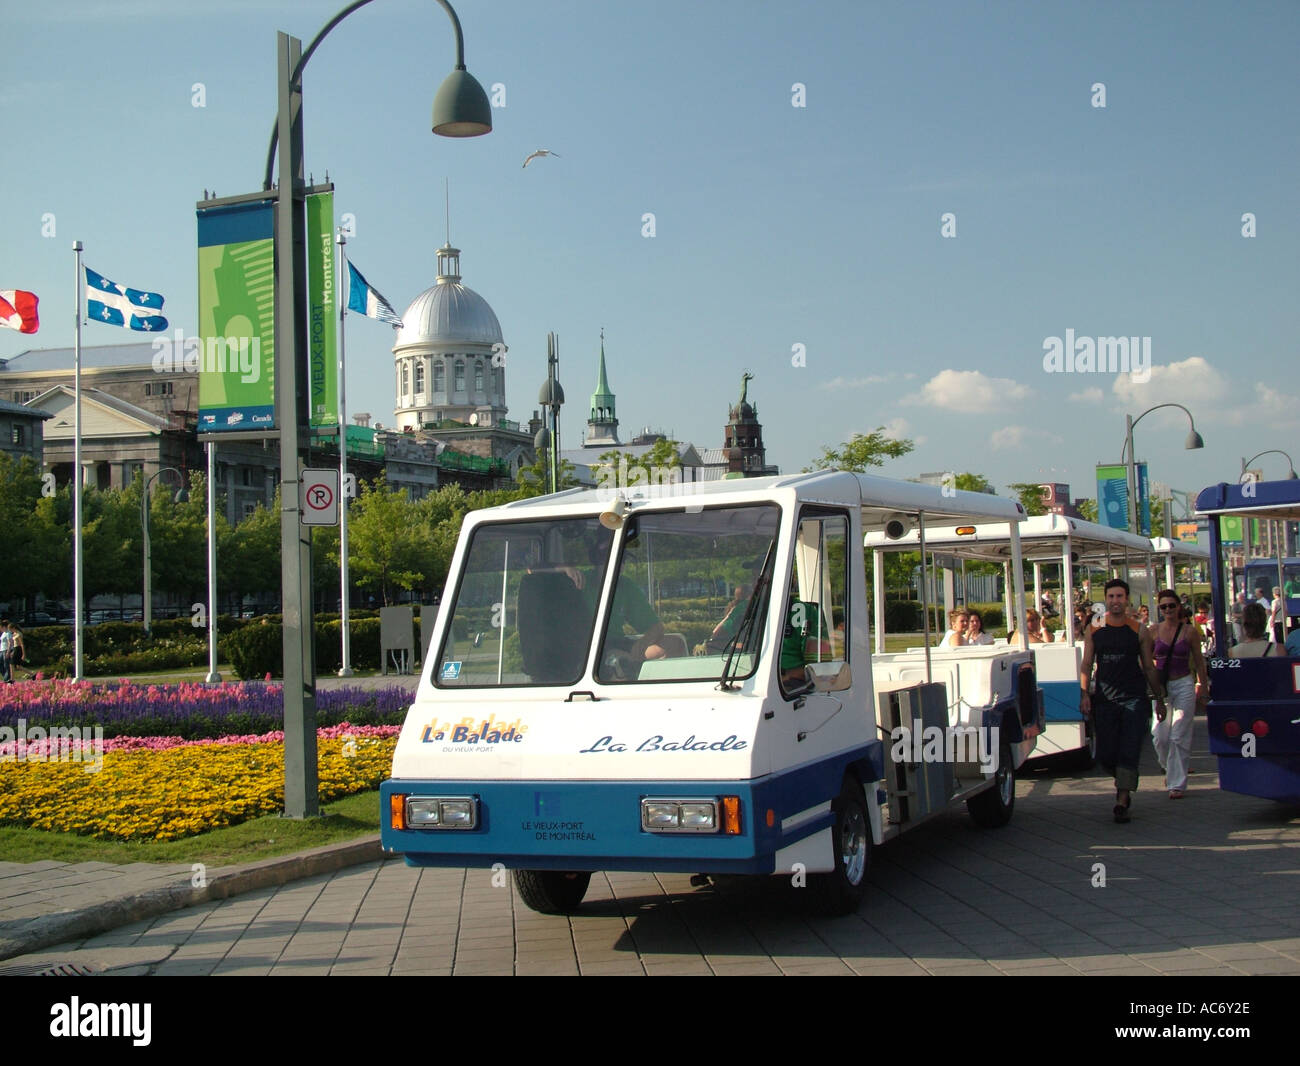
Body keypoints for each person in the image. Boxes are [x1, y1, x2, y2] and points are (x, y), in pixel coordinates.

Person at [1080, 578, 1166, 823]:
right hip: (1105, 698)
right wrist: (1084, 694)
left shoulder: (1138, 629)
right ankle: (1123, 780)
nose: (1115, 601)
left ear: (1127, 599)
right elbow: (1087, 663)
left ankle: (1123, 798)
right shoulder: (1095, 628)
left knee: (1129, 747)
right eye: (1111, 597)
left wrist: (1158, 698)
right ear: (1105, 599)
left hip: (1134, 698)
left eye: (1120, 596)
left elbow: (1149, 667)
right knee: (1106, 754)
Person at [1150, 589, 1210, 800]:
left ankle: (1176, 783)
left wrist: (1202, 684)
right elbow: (1144, 660)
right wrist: (1150, 683)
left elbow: (1199, 660)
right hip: (1162, 687)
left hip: (1184, 682)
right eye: (1163, 606)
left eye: (1171, 606)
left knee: (1179, 735)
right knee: (1160, 736)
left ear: (1179, 607)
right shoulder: (1153, 631)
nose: (1168, 610)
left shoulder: (1189, 631)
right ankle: (1169, 768)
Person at [0, 619, 10, 683]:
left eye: (0, 627)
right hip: (1, 650)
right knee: (1, 665)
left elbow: (10, 643)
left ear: (4, 627)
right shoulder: (3, 633)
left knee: (6, 665)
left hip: (6, 650)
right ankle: (5, 677)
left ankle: (6, 679)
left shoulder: (8, 633)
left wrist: (8, 652)